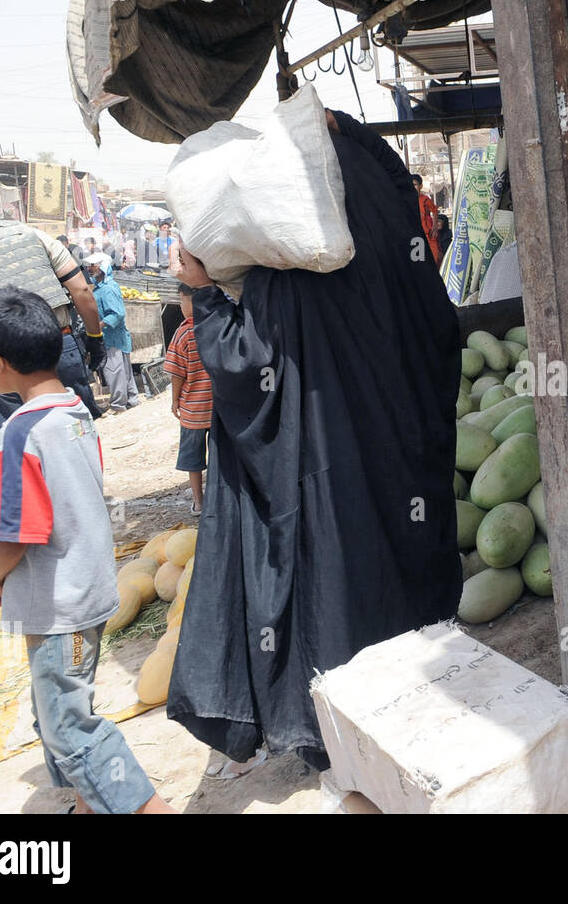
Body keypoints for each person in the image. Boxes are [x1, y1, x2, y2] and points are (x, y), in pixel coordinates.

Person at [166, 109, 461, 770]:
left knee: (339, 579)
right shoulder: (393, 236)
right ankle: (421, 693)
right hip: (398, 452)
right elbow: (443, 334)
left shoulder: (288, 264)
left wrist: (206, 297)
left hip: (330, 468)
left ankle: (338, 732)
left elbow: (247, 367)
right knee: (399, 572)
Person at [0, 288, 174, 815]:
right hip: (90, 586)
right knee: (55, 706)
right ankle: (85, 798)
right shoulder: (76, 411)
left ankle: (148, 809)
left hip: (60, 607)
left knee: (70, 723)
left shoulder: (20, 432)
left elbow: (18, 529)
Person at [0, 175, 106, 428]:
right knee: (76, 434)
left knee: (20, 443)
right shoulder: (34, 235)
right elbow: (81, 290)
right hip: (58, 346)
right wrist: (95, 338)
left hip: (1, 366)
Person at [163, 283, 212, 514]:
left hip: (193, 410)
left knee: (194, 461)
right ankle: (220, 497)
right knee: (219, 456)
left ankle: (199, 502)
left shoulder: (183, 333)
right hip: (217, 409)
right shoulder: (215, 325)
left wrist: (174, 400)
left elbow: (176, 373)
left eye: (181, 300)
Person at [88, 254, 141, 412]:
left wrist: (98, 326)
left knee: (114, 370)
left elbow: (117, 314)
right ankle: (132, 400)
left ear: (102, 267)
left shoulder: (108, 289)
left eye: (93, 266)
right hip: (115, 337)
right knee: (123, 370)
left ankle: (118, 405)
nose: (90, 269)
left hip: (112, 337)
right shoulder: (102, 287)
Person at [411, 173, 440, 263]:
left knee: (434, 258)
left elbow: (435, 211)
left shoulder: (425, 199)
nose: (413, 187)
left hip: (428, 235)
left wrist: (434, 227)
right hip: (415, 237)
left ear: (421, 186)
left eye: (415, 184)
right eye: (411, 185)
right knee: (418, 262)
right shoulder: (406, 200)